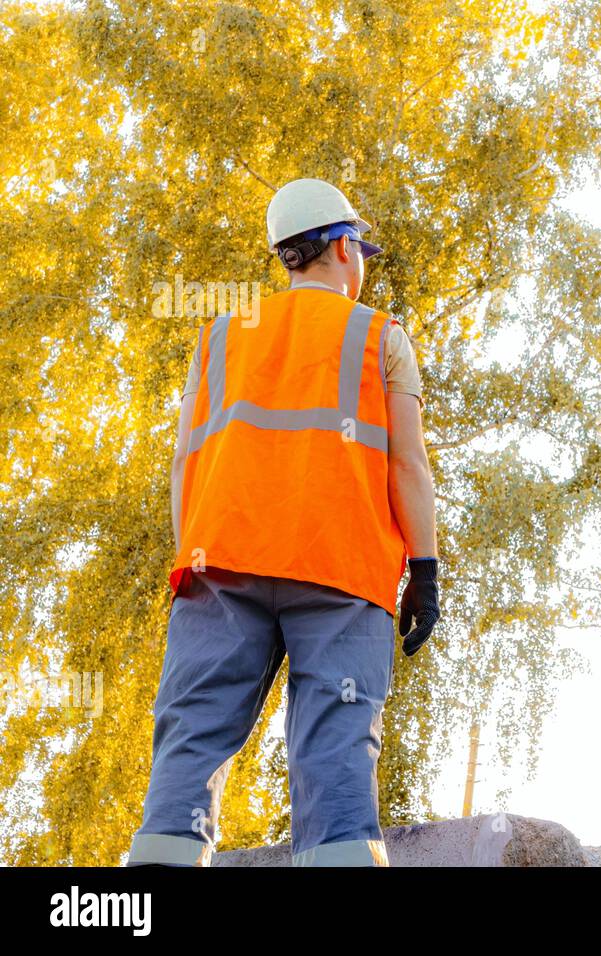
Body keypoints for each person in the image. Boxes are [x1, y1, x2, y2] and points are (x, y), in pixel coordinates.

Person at [126, 178, 442, 867]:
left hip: (221, 562)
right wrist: (425, 573)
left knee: (191, 739)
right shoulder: (380, 337)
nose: (364, 262)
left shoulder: (219, 338)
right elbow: (408, 466)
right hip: (341, 566)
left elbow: (185, 459)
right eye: (361, 248)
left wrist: (194, 562)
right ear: (341, 246)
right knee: (336, 747)